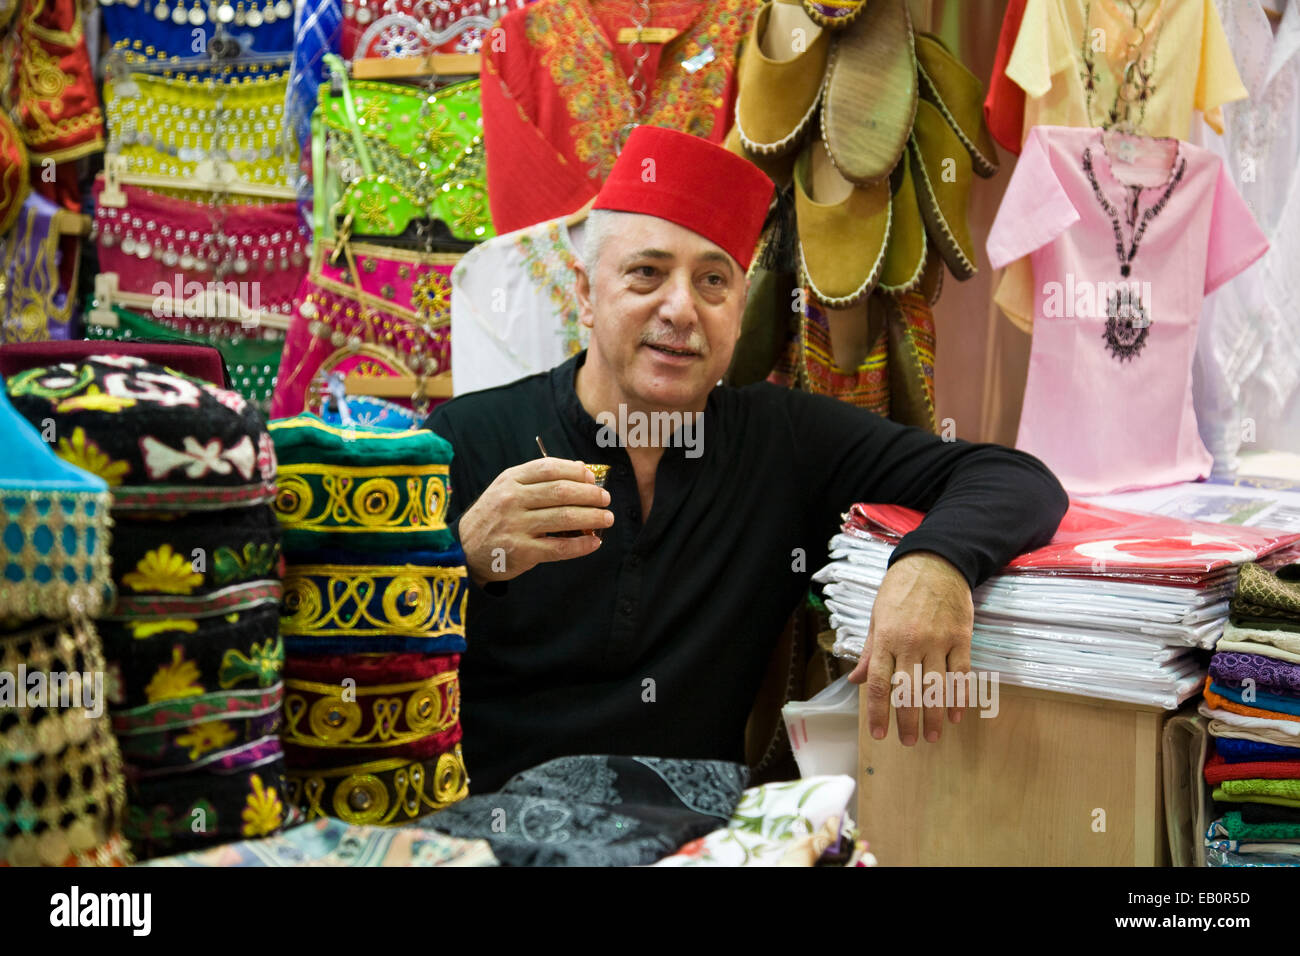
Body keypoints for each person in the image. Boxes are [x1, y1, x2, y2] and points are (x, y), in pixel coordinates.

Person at [427, 126, 1068, 793]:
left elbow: (1015, 478)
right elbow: (359, 644)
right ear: (587, 294)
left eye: (713, 281)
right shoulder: (470, 437)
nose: (680, 309)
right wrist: (462, 555)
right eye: (647, 273)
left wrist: (935, 566)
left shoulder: (784, 442)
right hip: (488, 830)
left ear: (738, 307)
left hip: (696, 841)